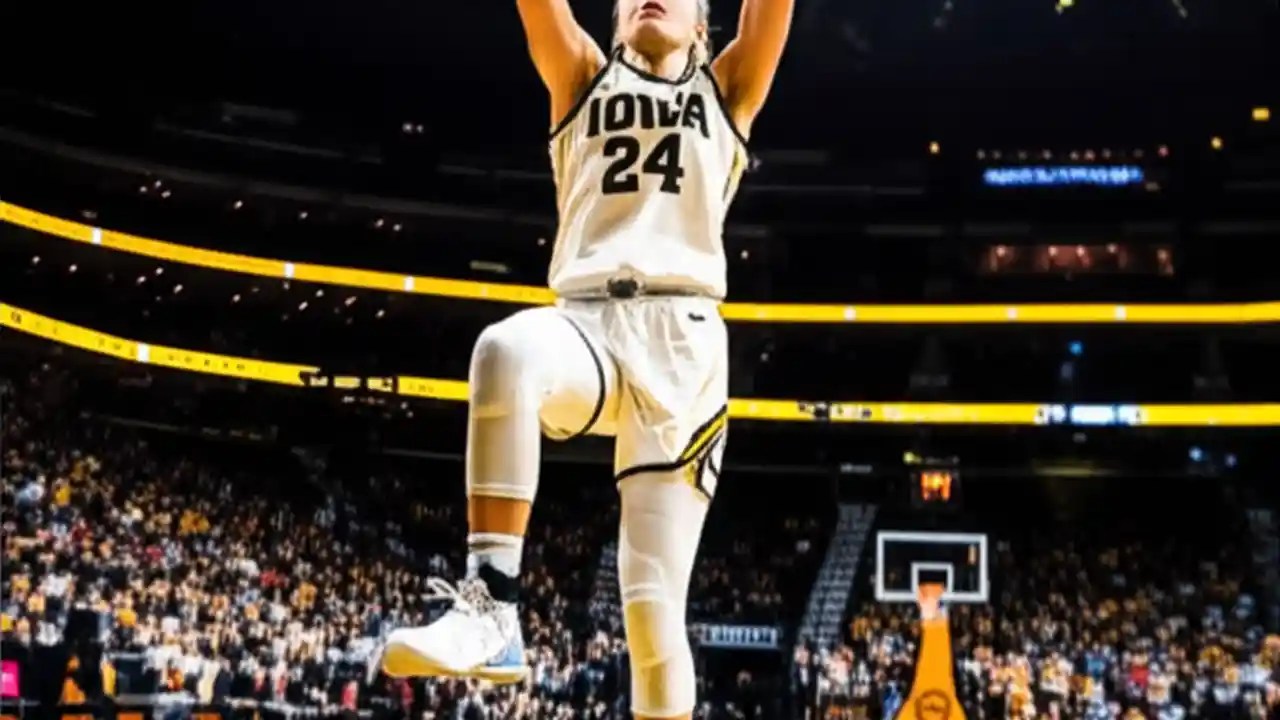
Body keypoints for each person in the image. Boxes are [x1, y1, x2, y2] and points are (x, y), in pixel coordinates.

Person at [381, 0, 793, 718]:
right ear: (614, 21)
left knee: (652, 611)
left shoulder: (728, 90)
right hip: (589, 322)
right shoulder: (579, 76)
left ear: (704, 24)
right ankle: (493, 605)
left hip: (684, 342)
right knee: (504, 350)